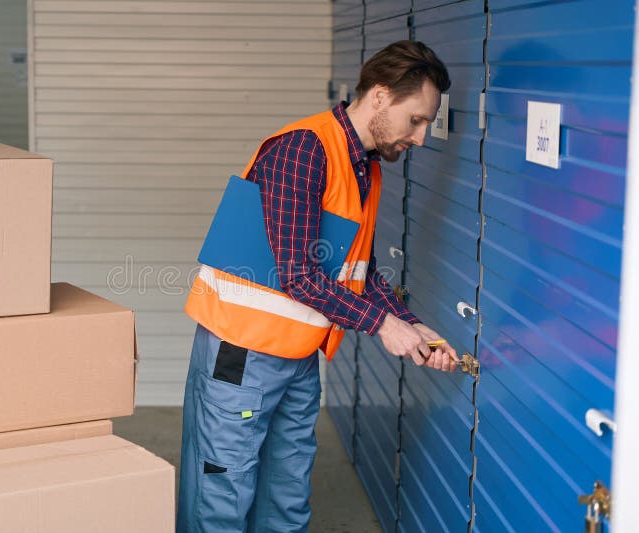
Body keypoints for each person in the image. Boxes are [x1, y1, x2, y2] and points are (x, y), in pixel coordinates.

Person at [177, 40, 457, 533]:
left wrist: (414, 325)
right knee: (221, 500)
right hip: (240, 353)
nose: (421, 137)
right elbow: (299, 274)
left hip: (299, 354)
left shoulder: (364, 165)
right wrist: (383, 326)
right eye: (415, 119)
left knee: (286, 500)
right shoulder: (305, 148)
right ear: (380, 97)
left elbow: (354, 269)